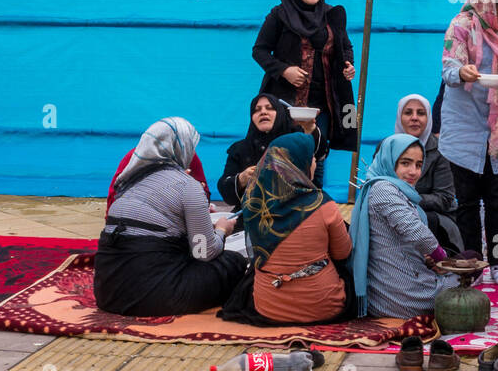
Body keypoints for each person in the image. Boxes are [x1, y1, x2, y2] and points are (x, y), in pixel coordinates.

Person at [95, 118, 248, 316]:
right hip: (152, 297)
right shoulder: (187, 185)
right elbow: (204, 252)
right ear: (182, 148)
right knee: (233, 262)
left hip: (108, 294)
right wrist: (221, 229)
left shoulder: (129, 182)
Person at [439, 0, 498, 285]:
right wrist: (463, 71)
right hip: (464, 125)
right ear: (492, 2)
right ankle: (472, 262)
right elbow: (448, 70)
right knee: (467, 202)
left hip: (497, 129)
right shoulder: (462, 25)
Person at [252, 0, 357, 190]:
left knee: (316, 156)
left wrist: (348, 65)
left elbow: (345, 47)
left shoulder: (333, 15)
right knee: (281, 155)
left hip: (323, 105)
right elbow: (259, 50)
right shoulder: (279, 15)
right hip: (285, 103)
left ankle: (314, 208)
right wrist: (284, 70)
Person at [239, 133, 352, 325]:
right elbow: (343, 253)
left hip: (268, 308)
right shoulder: (323, 206)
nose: (315, 163)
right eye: (312, 158)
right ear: (299, 164)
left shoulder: (253, 203)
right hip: (323, 307)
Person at [350, 134, 454, 319]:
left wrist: (427, 258)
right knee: (466, 276)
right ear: (389, 161)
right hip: (402, 300)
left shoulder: (394, 189)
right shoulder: (383, 189)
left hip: (394, 292)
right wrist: (441, 259)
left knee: (467, 263)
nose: (413, 172)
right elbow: (416, 232)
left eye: (418, 165)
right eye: (405, 163)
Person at [216, 93, 328, 209]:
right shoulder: (240, 149)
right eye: (256, 110)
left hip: (295, 213)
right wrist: (241, 179)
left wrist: (310, 128)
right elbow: (225, 189)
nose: (263, 112)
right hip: (252, 217)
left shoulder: (296, 140)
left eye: (270, 108)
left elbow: (319, 152)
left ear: (280, 113)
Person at [393, 93, 463, 254]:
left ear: (429, 118)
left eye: (421, 113)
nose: (415, 118)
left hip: (435, 219)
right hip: (394, 212)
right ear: (399, 116)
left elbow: (445, 199)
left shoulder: (440, 150)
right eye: (408, 112)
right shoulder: (387, 148)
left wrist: (406, 199)